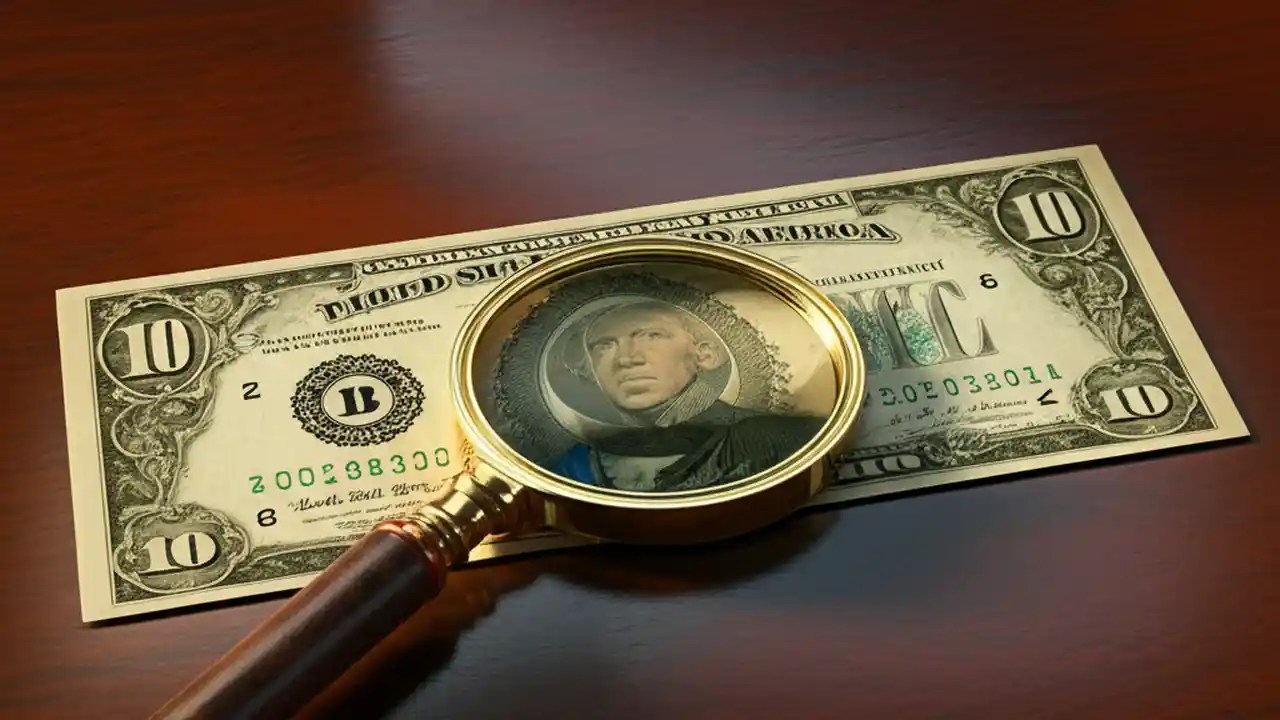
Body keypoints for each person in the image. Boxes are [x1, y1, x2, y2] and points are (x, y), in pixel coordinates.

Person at [548, 299, 824, 492]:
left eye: (651, 335)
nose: (626, 359)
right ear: (590, 370)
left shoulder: (781, 439)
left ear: (705, 355)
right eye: (605, 346)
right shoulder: (573, 468)